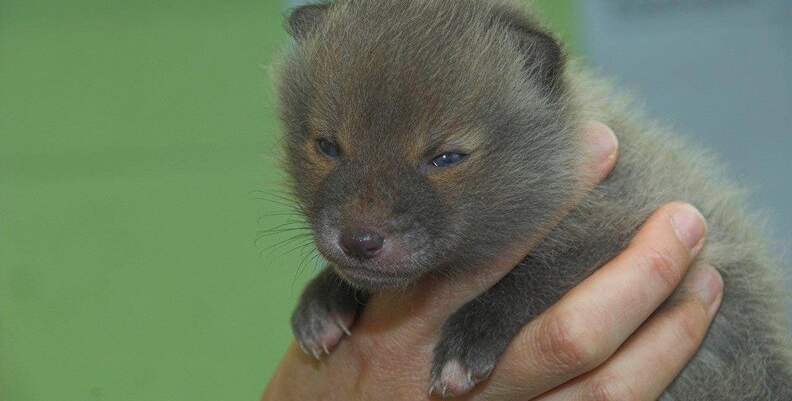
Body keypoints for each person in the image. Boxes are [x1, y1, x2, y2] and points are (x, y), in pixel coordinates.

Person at [262, 122, 722, 400]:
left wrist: (502, 309)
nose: (362, 228)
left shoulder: (572, 179)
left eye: (446, 158)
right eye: (329, 148)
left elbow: (605, 239)